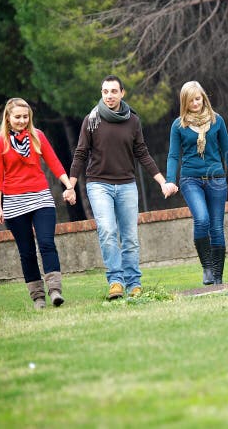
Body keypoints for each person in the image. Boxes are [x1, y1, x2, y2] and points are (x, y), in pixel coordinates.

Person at [69, 75, 174, 300]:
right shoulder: (92, 120)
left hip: (126, 185)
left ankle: (133, 284)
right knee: (107, 231)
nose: (109, 96)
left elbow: (142, 153)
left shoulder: (132, 120)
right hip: (99, 184)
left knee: (130, 238)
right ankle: (115, 281)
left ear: (122, 93)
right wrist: (71, 185)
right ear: (101, 93)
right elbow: (80, 153)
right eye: (105, 91)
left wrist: (162, 181)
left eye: (114, 91)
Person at [0, 98, 75, 309]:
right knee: (26, 251)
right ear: (8, 118)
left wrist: (68, 186)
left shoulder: (37, 136)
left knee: (47, 243)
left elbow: (54, 162)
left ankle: (55, 290)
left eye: (25, 117)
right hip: (13, 202)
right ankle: (38, 297)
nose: (21, 121)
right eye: (17, 117)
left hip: (40, 197)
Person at [165, 81, 228, 286]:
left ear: (203, 98)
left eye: (198, 98)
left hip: (217, 180)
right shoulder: (179, 125)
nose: (195, 103)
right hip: (190, 179)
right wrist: (169, 180)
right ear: (185, 101)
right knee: (202, 220)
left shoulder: (216, 121)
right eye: (191, 100)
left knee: (217, 228)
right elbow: (174, 155)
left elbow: (227, 152)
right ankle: (207, 268)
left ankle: (218, 278)